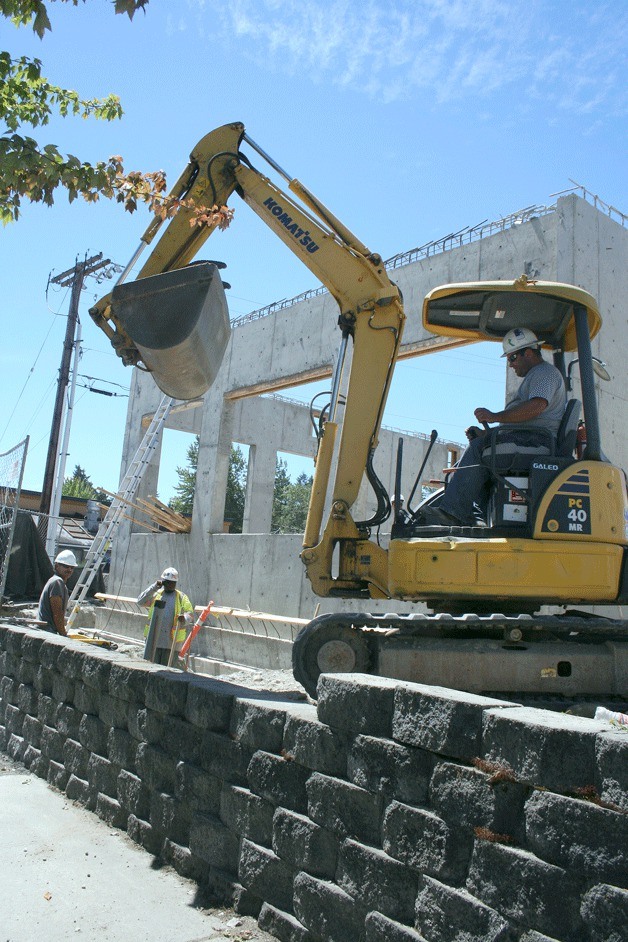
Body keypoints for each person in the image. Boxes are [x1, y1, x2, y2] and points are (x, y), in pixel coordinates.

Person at [418, 328, 567, 527]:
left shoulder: (544, 373)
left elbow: (537, 406)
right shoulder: (536, 376)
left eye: (513, 357)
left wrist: (494, 417)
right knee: (483, 446)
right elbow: (526, 419)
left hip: (537, 442)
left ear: (529, 353)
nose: (510, 364)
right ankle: (479, 517)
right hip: (527, 439)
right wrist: (488, 433)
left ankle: (454, 512)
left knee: (480, 449)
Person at [137, 567, 194, 666]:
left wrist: (184, 619)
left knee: (167, 671)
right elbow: (140, 601)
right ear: (163, 582)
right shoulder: (157, 594)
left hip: (171, 644)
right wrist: (154, 587)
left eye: (173, 582)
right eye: (167, 582)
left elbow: (190, 614)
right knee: (150, 668)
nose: (170, 585)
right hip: (153, 640)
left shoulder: (181, 597)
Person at [37, 549, 77, 635]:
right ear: (57, 566)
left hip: (46, 630)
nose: (69, 569)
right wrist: (63, 633)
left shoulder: (57, 582)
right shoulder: (57, 582)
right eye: (66, 566)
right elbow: (57, 612)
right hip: (47, 631)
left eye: (72, 567)